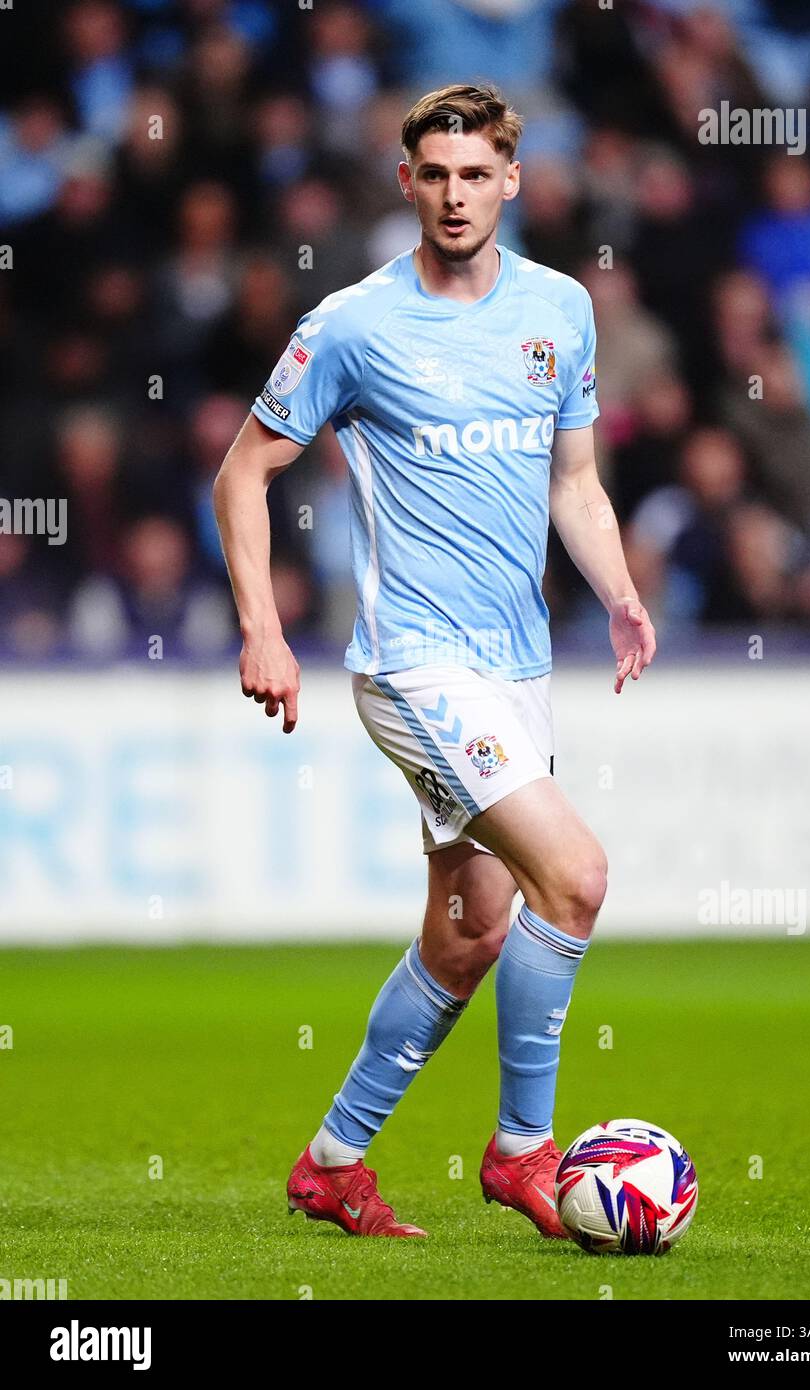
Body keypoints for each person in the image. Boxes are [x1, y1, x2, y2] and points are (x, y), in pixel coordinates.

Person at [213, 83, 655, 1240]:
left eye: (477, 173)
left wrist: (617, 592)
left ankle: (332, 1161)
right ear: (405, 182)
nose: (455, 194)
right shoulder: (354, 323)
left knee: (469, 931)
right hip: (411, 663)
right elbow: (239, 474)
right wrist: (261, 625)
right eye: (434, 174)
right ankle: (522, 1149)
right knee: (579, 878)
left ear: (512, 179)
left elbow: (573, 482)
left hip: (515, 664)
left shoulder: (560, 311)